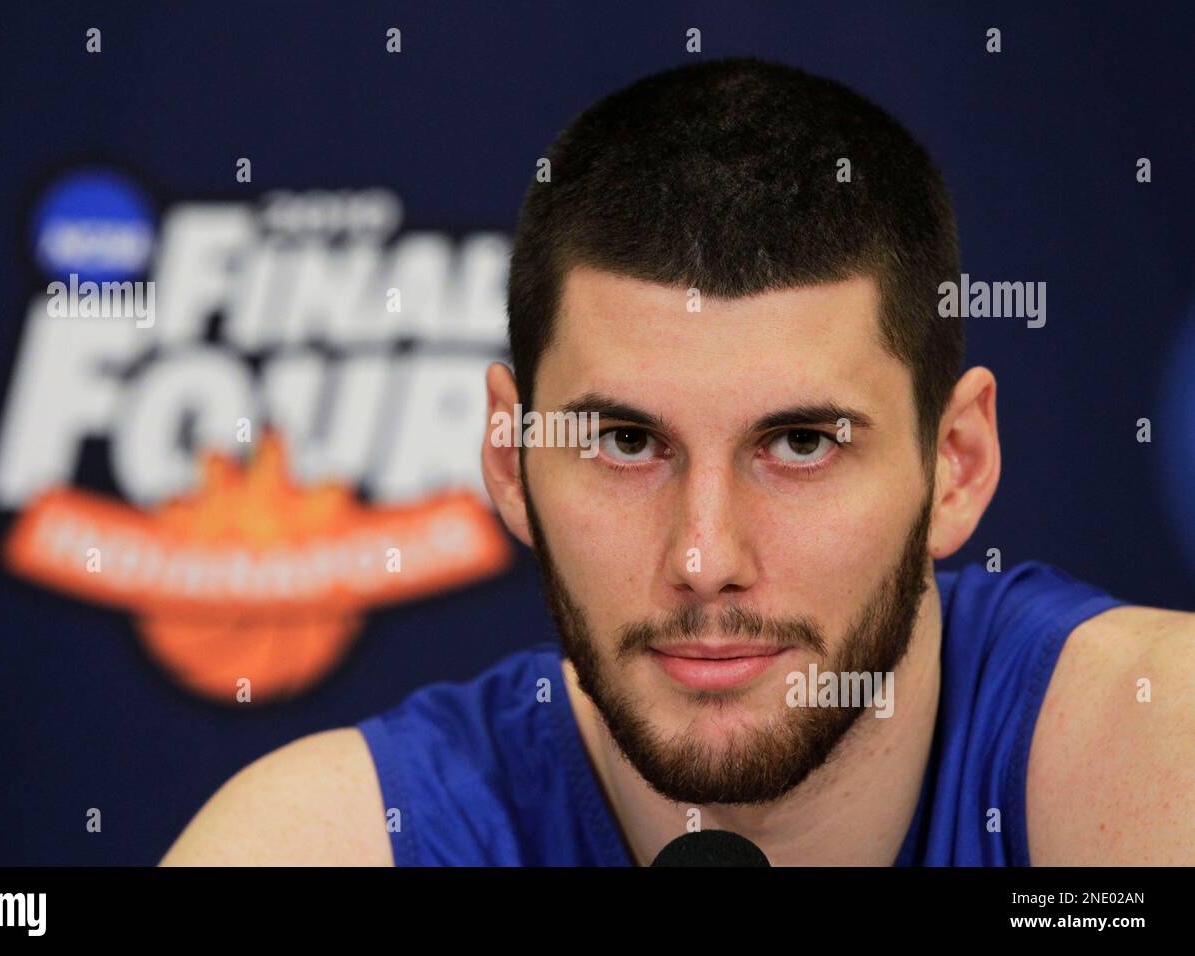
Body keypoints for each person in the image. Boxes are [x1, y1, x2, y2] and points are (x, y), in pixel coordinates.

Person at [161, 57, 1194, 867]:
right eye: (625, 442)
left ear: (956, 464)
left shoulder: (1146, 753)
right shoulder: (348, 836)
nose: (704, 559)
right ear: (512, 458)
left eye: (799, 443)